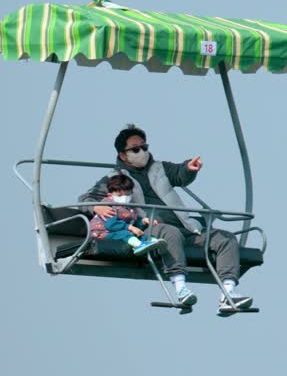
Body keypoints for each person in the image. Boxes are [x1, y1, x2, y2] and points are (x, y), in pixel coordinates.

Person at [79, 124, 253, 313]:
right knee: (169, 233)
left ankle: (228, 294)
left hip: (185, 226)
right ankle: (181, 288)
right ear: (123, 155)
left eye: (144, 147)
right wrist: (95, 206)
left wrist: (189, 168)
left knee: (224, 238)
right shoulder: (116, 179)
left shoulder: (159, 168)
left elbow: (180, 173)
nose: (142, 152)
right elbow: (85, 200)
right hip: (148, 228)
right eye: (135, 149)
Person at [88, 173, 165, 257]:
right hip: (102, 233)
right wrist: (130, 228)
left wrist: (143, 221)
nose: (124, 198)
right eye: (119, 195)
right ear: (110, 195)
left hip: (118, 230)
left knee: (139, 233)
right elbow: (111, 225)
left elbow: (133, 221)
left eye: (127, 195)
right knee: (125, 233)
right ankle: (138, 246)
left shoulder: (130, 208)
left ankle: (153, 242)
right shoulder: (108, 205)